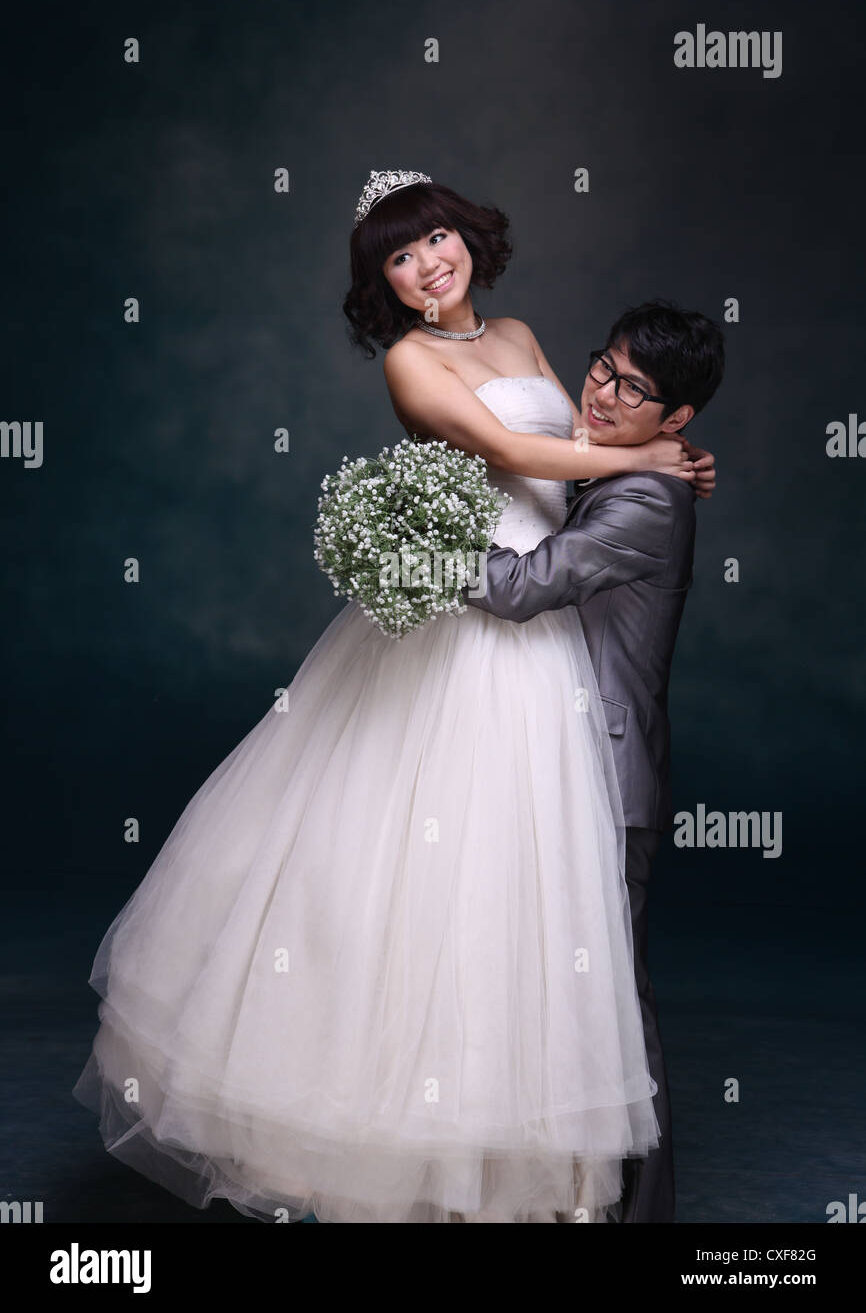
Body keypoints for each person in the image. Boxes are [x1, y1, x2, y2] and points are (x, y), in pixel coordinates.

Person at [73, 171, 706, 1224]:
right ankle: (387, 1140)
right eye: (397, 259)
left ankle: (522, 1149)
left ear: (467, 237)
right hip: (468, 616)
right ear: (386, 287)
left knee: (525, 887)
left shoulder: (521, 332)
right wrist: (653, 451)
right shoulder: (411, 365)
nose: (426, 265)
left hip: (546, 626)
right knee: (405, 882)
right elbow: (508, 452)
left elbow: (578, 459)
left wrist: (649, 464)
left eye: (435, 240)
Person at [465, 299, 726, 1221]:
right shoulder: (632, 465)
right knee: (568, 993)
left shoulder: (647, 501)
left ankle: (636, 1213)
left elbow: (518, 587)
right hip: (565, 766)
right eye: (604, 368)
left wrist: (415, 529)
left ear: (680, 419)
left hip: (609, 781)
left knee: (615, 1003)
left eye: (636, 390)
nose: (604, 395)